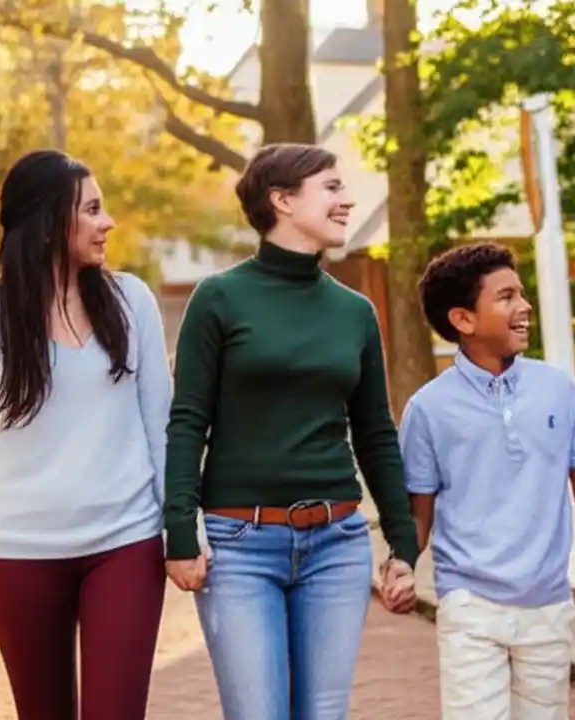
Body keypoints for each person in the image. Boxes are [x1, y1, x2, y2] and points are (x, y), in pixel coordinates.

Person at [0, 150, 171, 720]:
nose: (108, 223)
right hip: (19, 554)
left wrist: (184, 535)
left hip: (125, 543)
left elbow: (162, 431)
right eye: (92, 210)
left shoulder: (132, 302)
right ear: (49, 222)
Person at [163, 143, 420, 720]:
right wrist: (179, 528)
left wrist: (403, 543)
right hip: (238, 546)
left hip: (337, 544)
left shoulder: (354, 312)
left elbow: (375, 432)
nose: (345, 199)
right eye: (331, 187)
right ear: (282, 199)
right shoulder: (219, 298)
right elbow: (187, 422)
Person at [401, 243, 575, 719]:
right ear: (463, 320)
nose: (524, 307)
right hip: (469, 603)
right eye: (506, 297)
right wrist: (400, 565)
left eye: (521, 294)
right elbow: (416, 514)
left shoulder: (557, 389)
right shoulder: (428, 408)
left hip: (548, 600)